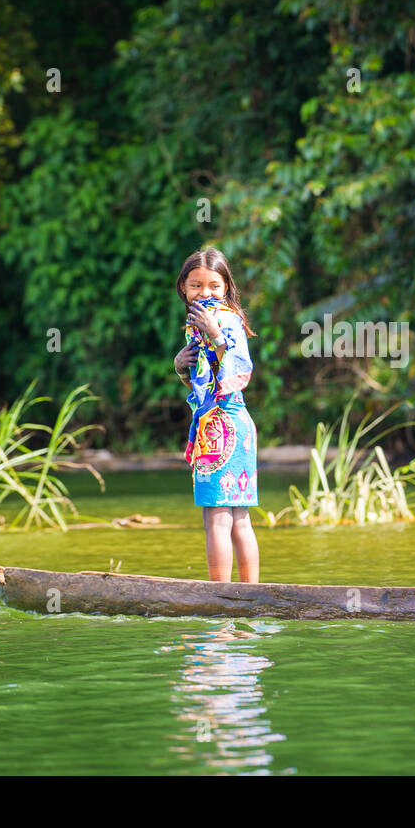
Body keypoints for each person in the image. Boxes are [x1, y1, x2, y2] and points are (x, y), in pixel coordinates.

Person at [172, 247, 260, 583]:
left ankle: (221, 598)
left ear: (226, 288)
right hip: (220, 423)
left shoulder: (226, 318)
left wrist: (215, 333)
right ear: (183, 287)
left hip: (224, 425)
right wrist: (180, 368)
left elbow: (239, 371)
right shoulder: (194, 324)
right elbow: (201, 382)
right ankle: (248, 597)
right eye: (196, 286)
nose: (204, 293)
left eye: (214, 286)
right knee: (237, 518)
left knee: (219, 519)